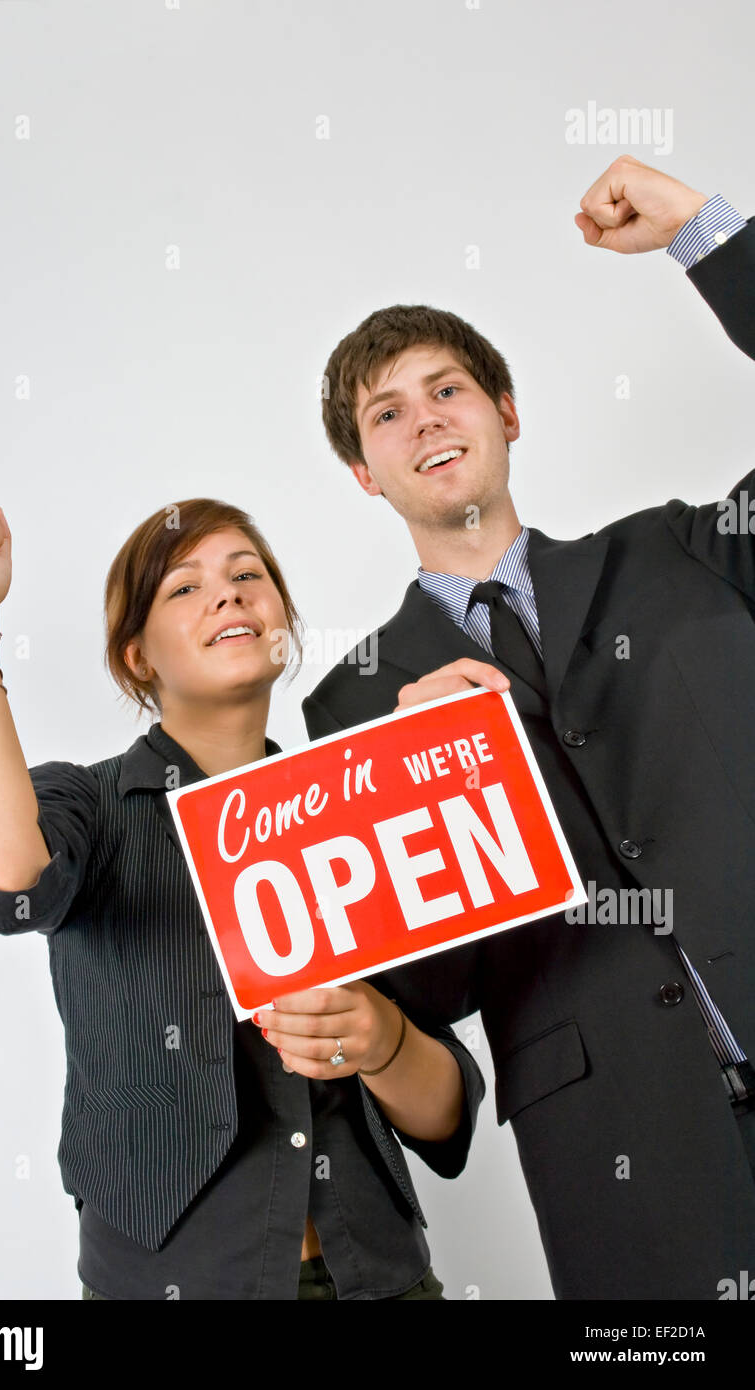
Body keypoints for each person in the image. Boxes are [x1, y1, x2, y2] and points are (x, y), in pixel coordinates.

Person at [302, 155, 755, 1300]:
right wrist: (414, 781)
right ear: (364, 473)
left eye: (447, 389)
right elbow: (418, 1008)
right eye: (386, 414)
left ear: (504, 411)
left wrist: (703, 232)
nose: (426, 422)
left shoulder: (679, 551)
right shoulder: (348, 711)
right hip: (622, 1166)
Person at [0, 496, 483, 1300]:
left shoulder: (355, 808)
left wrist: (383, 1037)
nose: (227, 594)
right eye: (184, 588)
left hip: (384, 1279)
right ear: (136, 655)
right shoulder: (89, 806)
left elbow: (446, 1118)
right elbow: (0, 880)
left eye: (247, 575)